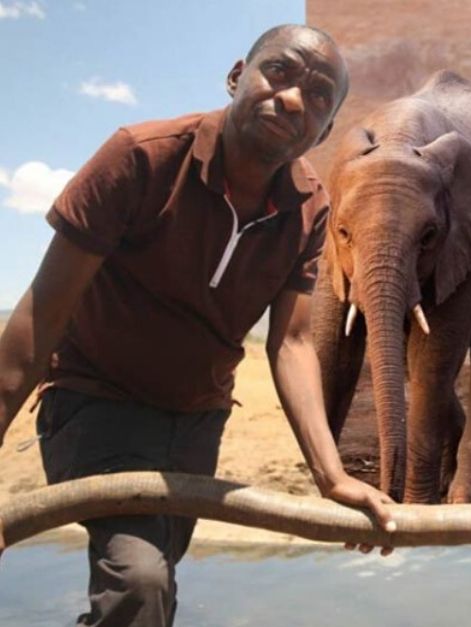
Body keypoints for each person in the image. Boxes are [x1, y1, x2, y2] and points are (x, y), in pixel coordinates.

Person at [0, 24, 396, 626]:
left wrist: (332, 476)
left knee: (153, 585)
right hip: (96, 406)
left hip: (197, 424)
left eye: (319, 96)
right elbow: (43, 312)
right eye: (280, 72)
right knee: (140, 583)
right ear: (238, 75)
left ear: (327, 127)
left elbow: (289, 343)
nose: (292, 99)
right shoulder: (141, 157)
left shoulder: (309, 210)